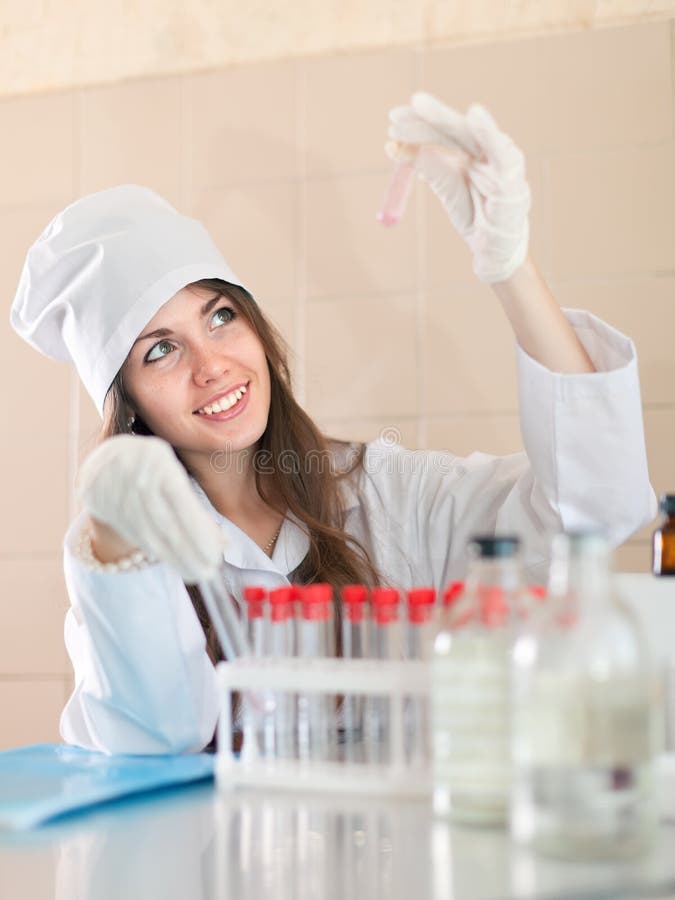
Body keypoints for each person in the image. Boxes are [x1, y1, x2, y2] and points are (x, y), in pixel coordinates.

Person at [10, 93, 655, 755]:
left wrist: (510, 267)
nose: (212, 365)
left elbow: (591, 510)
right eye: (160, 350)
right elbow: (156, 740)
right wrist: (117, 537)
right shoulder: (118, 556)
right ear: (132, 403)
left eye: (221, 316)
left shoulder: (383, 495)